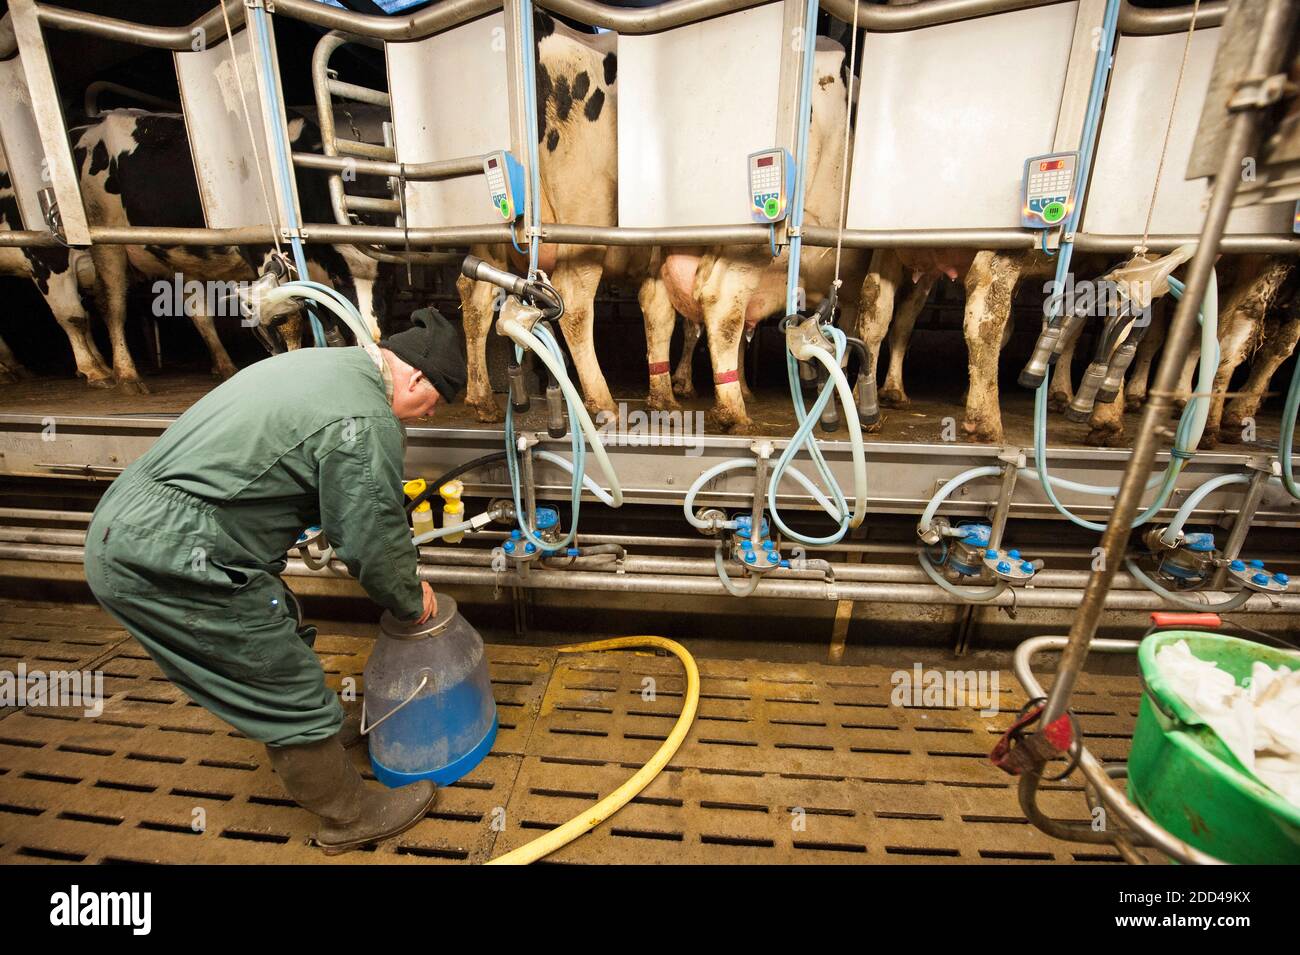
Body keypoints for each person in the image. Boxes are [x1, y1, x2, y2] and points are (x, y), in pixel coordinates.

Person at [84, 308, 467, 854]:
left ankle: (324, 730)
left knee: (274, 623)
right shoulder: (365, 419)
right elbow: (370, 538)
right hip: (171, 552)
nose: (425, 418)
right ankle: (349, 815)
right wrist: (410, 602)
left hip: (132, 525)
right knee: (272, 671)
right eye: (431, 404)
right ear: (414, 377)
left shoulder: (321, 366)